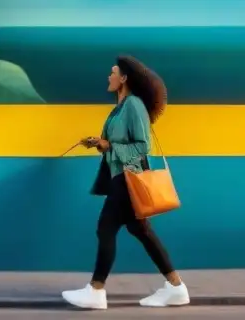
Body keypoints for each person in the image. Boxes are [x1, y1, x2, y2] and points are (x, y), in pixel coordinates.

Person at [61, 55, 190, 311]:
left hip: (128, 178)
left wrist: (109, 145)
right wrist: (100, 143)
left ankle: (96, 290)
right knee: (141, 231)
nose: (108, 77)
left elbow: (143, 146)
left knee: (105, 228)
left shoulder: (134, 105)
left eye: (112, 73)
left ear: (124, 78)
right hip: (120, 176)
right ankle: (176, 287)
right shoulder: (119, 108)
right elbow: (117, 144)